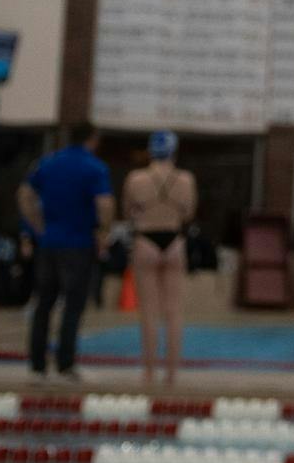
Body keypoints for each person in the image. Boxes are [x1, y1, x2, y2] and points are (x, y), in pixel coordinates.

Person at [17, 123, 112, 381]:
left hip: (49, 242)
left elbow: (24, 194)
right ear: (93, 139)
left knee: (44, 303)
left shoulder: (48, 163)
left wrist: (37, 225)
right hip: (78, 243)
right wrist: (103, 233)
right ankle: (65, 363)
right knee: (73, 305)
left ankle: (37, 365)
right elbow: (104, 204)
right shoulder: (94, 168)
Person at [123, 130, 197, 386]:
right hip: (174, 242)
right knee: (174, 312)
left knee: (149, 312)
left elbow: (128, 211)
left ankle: (148, 373)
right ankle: (172, 374)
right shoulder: (186, 179)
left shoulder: (136, 178)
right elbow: (188, 214)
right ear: (174, 151)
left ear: (150, 151)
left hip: (146, 241)